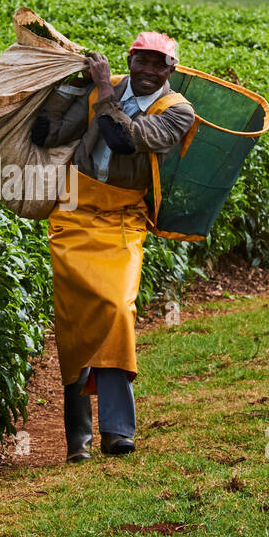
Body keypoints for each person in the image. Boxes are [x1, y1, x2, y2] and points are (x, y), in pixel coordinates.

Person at [30, 32, 196, 462]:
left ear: (171, 71)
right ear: (131, 58)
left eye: (159, 65)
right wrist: (69, 82)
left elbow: (124, 138)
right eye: (142, 61)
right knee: (76, 319)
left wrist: (103, 89)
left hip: (123, 218)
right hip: (74, 212)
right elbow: (46, 133)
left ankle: (118, 430)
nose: (148, 72)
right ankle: (79, 439)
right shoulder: (104, 88)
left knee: (118, 309)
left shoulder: (176, 111)